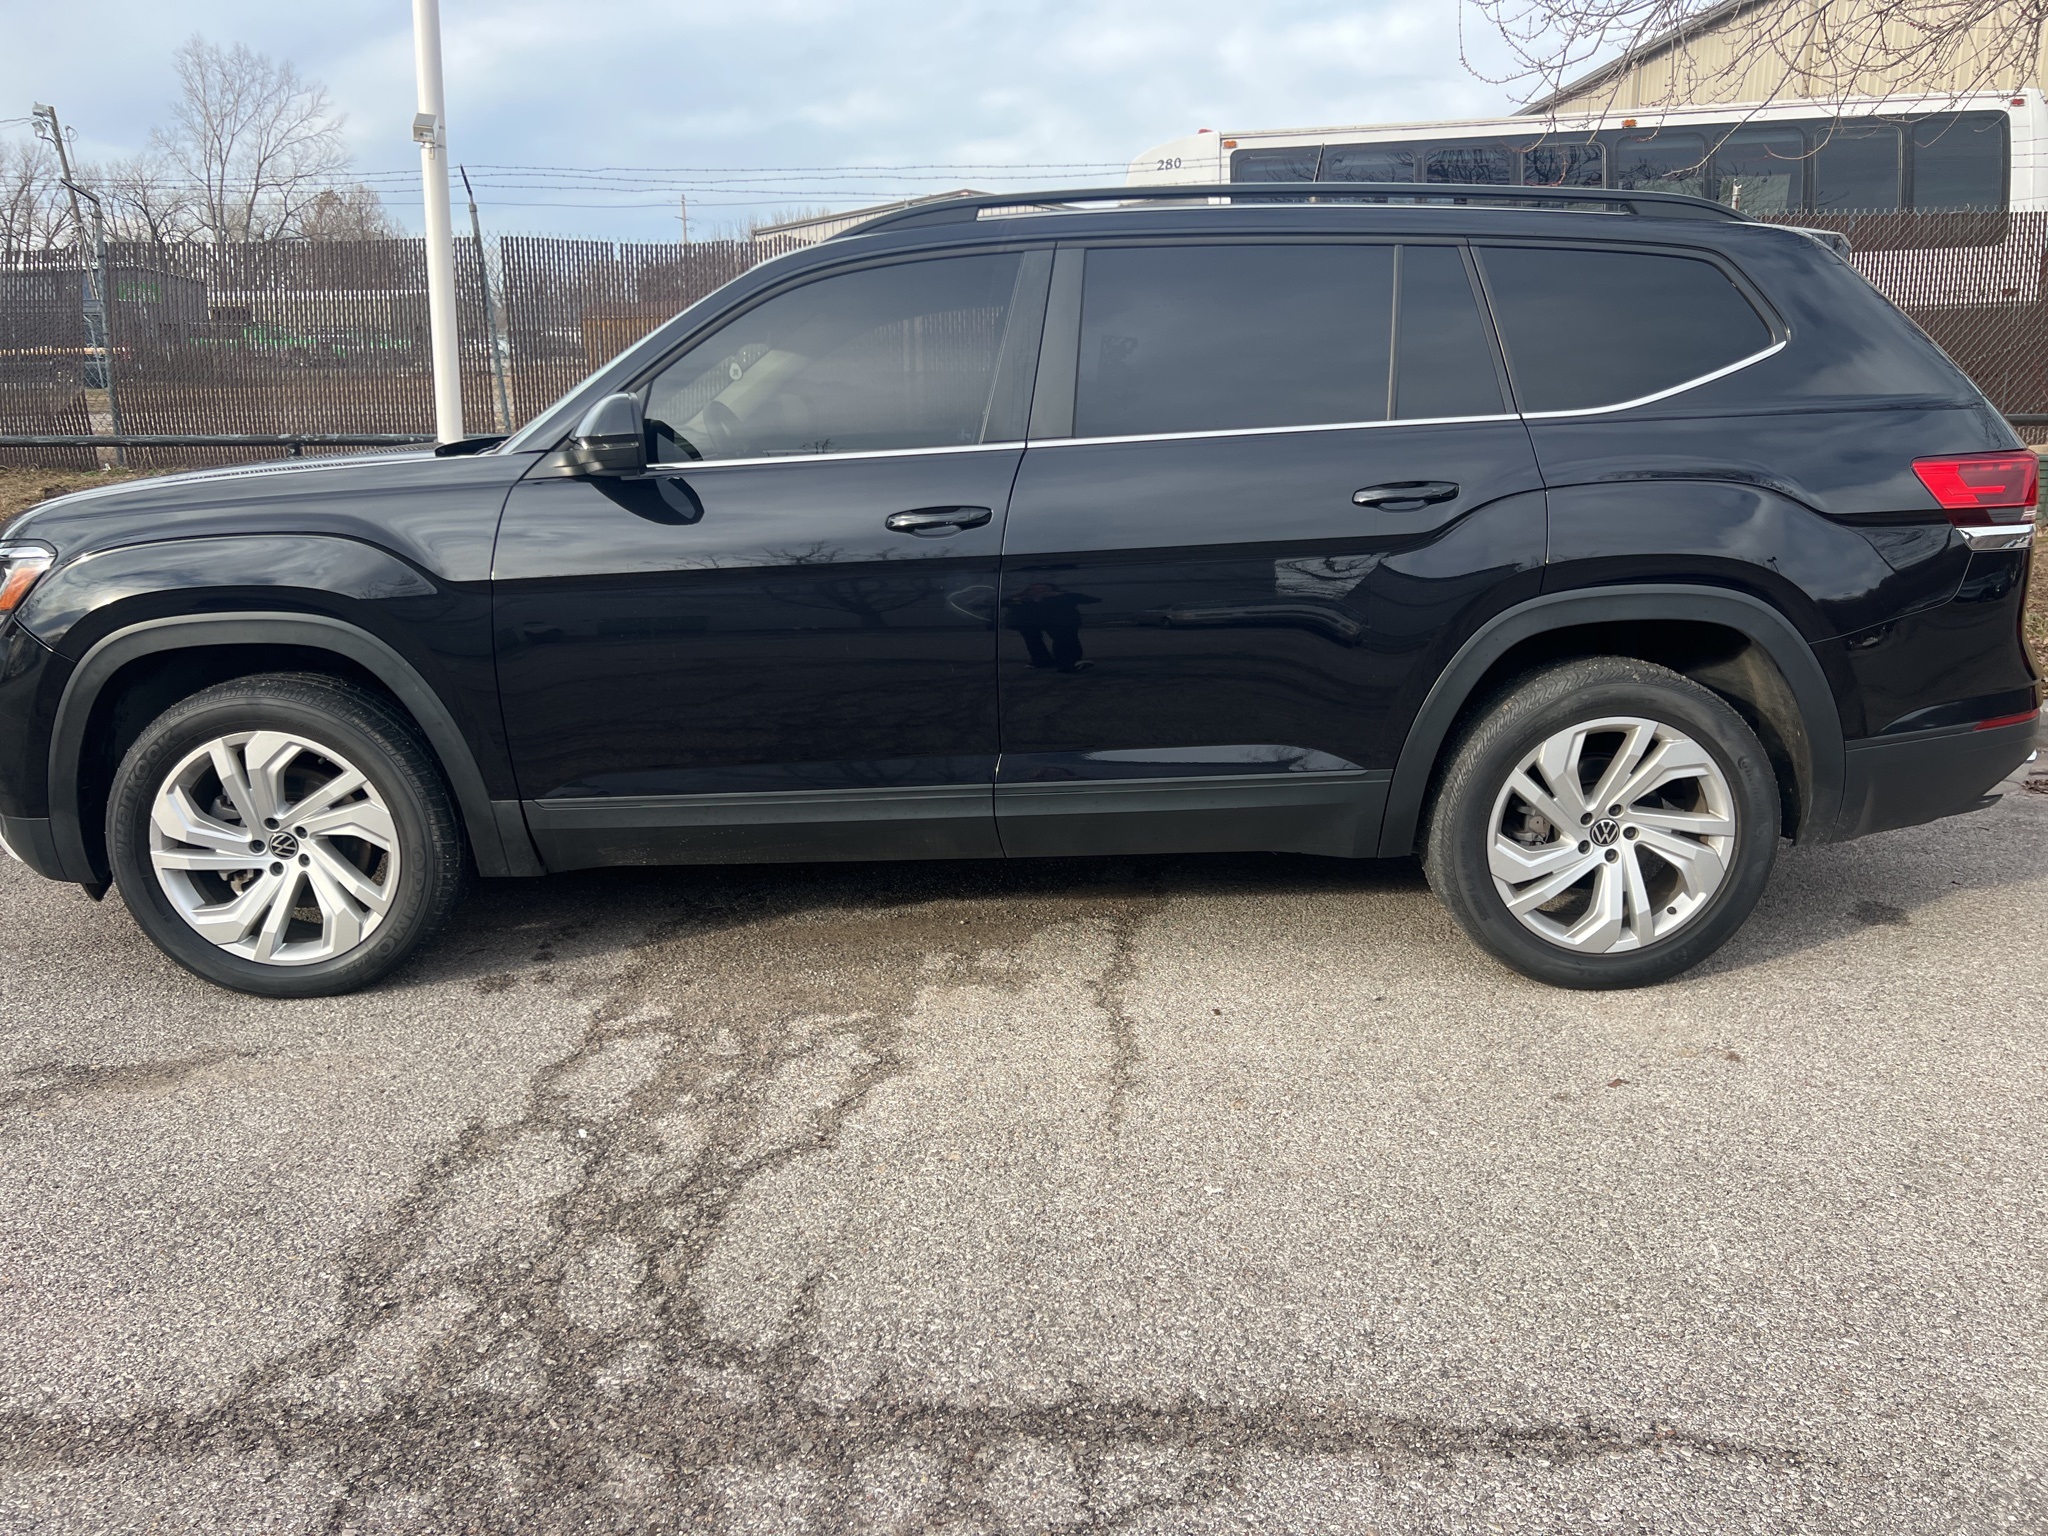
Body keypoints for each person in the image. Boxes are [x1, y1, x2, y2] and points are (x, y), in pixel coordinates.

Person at [1004, 581, 1099, 673]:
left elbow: (1092, 599)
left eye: (1044, 589)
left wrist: (1059, 595)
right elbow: (1000, 603)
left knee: (1064, 640)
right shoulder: (1022, 599)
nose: (1040, 592)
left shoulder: (1062, 597)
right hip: (1028, 625)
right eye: (1034, 590)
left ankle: (1068, 664)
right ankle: (1043, 661)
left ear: (1053, 590)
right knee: (1034, 642)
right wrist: (1014, 599)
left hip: (1061, 623)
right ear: (1027, 591)